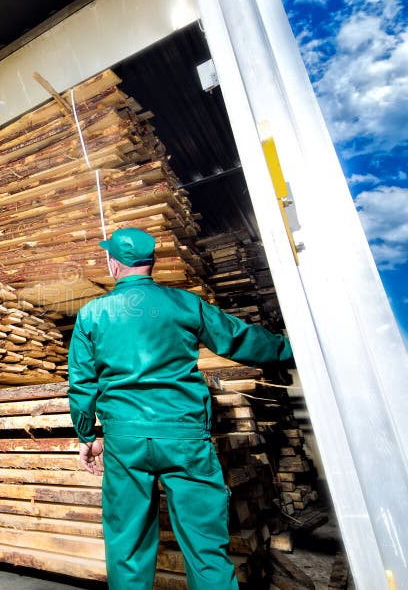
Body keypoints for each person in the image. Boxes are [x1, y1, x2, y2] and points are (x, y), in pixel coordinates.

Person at [68, 227, 292, 589]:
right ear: (149, 262)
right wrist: (290, 348)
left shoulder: (92, 315)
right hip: (186, 438)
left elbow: (81, 384)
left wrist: (86, 435)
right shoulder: (185, 304)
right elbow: (238, 339)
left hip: (126, 443)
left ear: (114, 263)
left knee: (127, 547)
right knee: (206, 549)